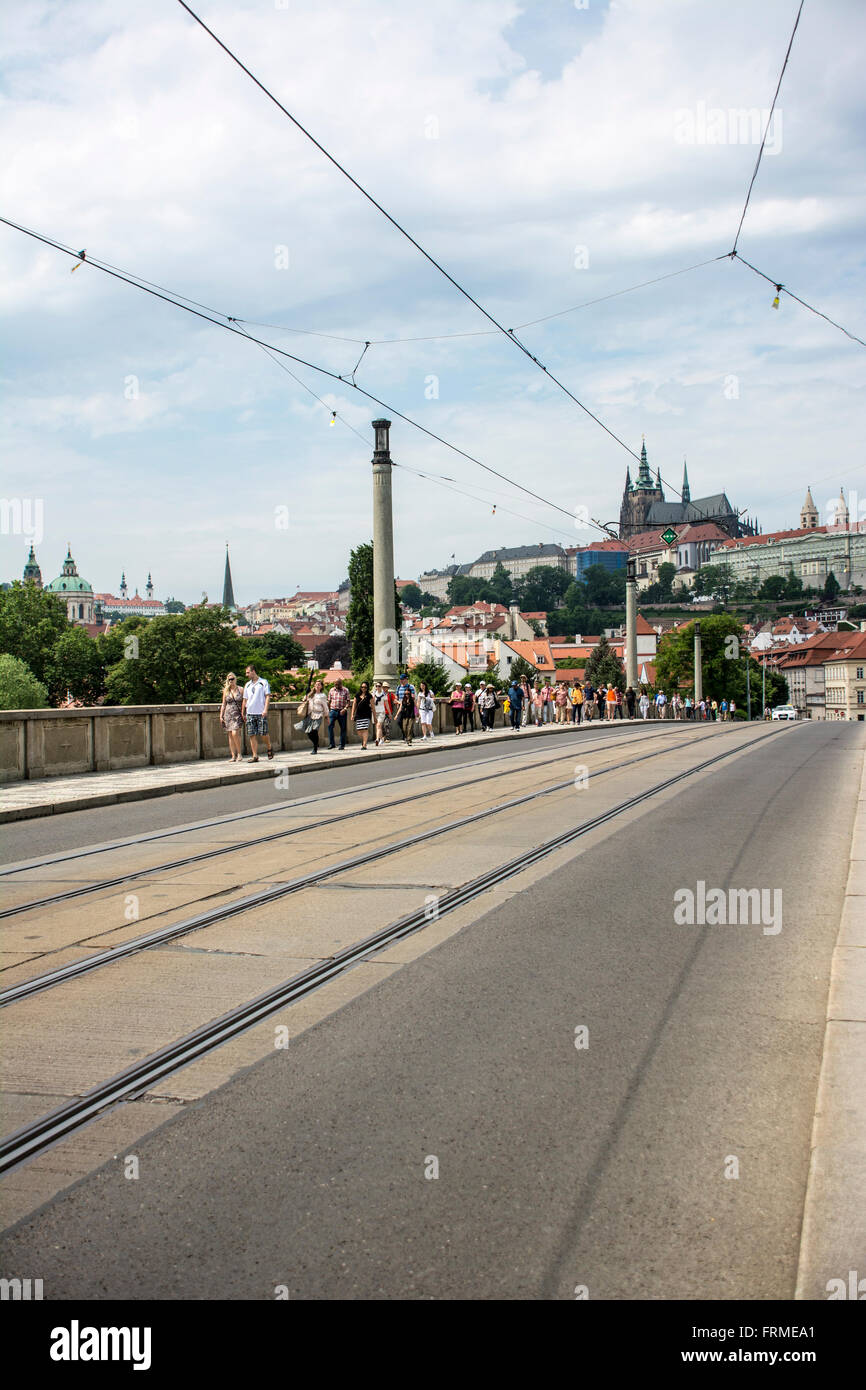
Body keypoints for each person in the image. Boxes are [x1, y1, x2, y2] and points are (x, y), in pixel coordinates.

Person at [242, 664, 272, 762]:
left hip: (260, 712)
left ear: (253, 671)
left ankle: (269, 747)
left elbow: (267, 696)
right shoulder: (247, 684)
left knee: (263, 733)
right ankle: (255, 756)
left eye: (248, 672)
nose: (247, 674)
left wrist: (265, 709)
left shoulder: (263, 682)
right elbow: (245, 699)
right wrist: (243, 712)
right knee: (251, 734)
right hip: (250, 712)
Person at [220, 672, 244, 761]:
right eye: (229, 679)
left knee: (235, 733)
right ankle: (233, 755)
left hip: (237, 714)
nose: (231, 681)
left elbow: (244, 702)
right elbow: (223, 704)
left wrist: (244, 712)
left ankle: (239, 754)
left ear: (235, 679)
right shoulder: (226, 691)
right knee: (230, 734)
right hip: (228, 714)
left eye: (232, 679)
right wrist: (221, 715)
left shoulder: (241, 689)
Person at [303, 679, 329, 754]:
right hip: (310, 714)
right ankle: (315, 742)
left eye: (319, 684)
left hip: (318, 714)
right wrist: (306, 693)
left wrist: (327, 716)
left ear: (321, 686)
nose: (317, 686)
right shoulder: (311, 694)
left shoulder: (322, 696)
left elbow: (325, 707)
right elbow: (304, 700)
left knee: (314, 730)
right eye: (316, 684)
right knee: (308, 732)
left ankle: (315, 748)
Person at [328, 677, 350, 750]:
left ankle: (342, 745)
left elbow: (348, 702)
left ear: (341, 684)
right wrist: (329, 710)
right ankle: (332, 744)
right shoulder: (331, 690)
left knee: (343, 728)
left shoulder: (345, 690)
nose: (336, 685)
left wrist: (345, 709)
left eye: (338, 684)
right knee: (330, 726)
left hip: (342, 711)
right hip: (333, 710)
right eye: (335, 684)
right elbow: (329, 701)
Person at [351, 680, 373, 750]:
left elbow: (373, 707)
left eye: (365, 687)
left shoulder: (369, 696)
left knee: (365, 729)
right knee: (359, 730)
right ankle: (364, 740)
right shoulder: (357, 695)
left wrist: (374, 717)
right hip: (359, 714)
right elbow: (354, 705)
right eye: (362, 687)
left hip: (366, 714)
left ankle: (364, 744)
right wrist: (352, 714)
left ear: (367, 688)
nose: (363, 688)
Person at [394, 672, 416, 742]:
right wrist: (397, 701)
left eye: (403, 679)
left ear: (406, 679)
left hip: (408, 708)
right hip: (401, 707)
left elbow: (413, 697)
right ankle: (405, 734)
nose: (401, 681)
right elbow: (396, 697)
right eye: (400, 679)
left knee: (408, 722)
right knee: (399, 721)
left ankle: (407, 735)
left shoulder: (410, 687)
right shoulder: (398, 687)